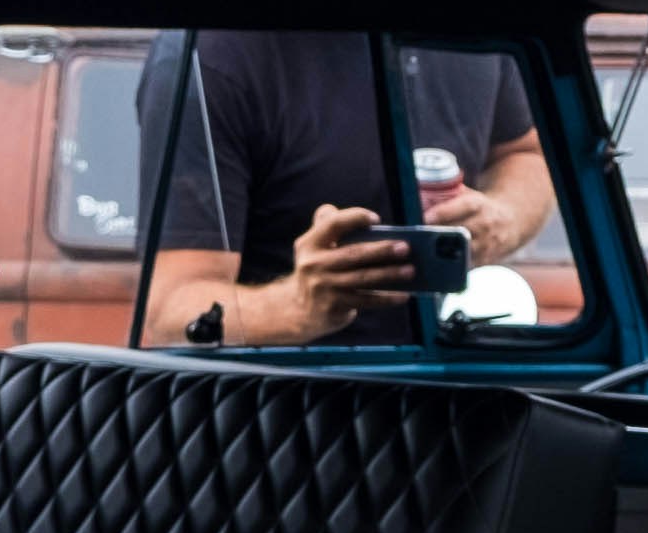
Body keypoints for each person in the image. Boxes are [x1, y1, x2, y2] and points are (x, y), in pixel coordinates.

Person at [128, 29, 553, 348]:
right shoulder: (213, 56)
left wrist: (505, 217)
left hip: (455, 374)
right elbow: (171, 309)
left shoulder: (472, 22)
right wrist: (298, 306)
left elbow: (525, 152)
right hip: (289, 405)